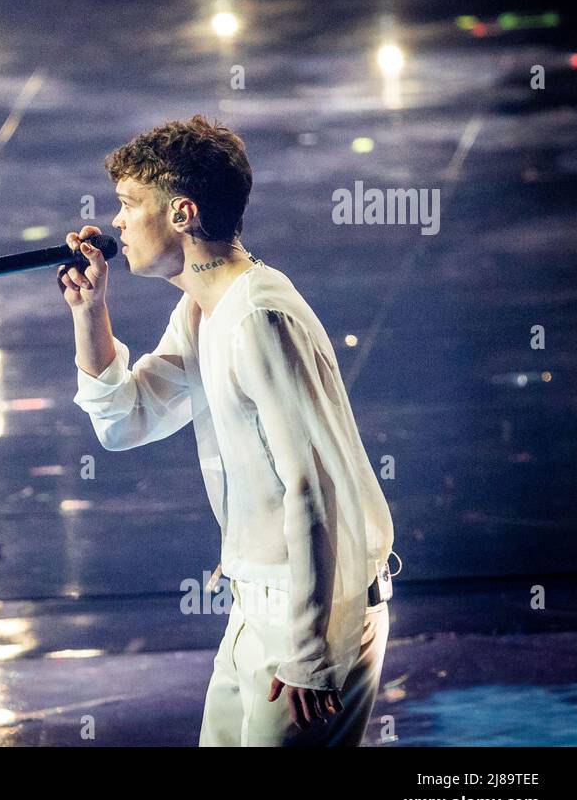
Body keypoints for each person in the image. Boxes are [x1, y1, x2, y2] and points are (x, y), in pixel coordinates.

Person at [62, 116, 396, 746]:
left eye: (130, 205)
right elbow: (127, 420)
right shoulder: (202, 309)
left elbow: (311, 488)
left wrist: (310, 654)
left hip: (316, 612)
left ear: (182, 213)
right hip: (255, 602)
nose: (116, 224)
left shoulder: (259, 317)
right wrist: (90, 313)